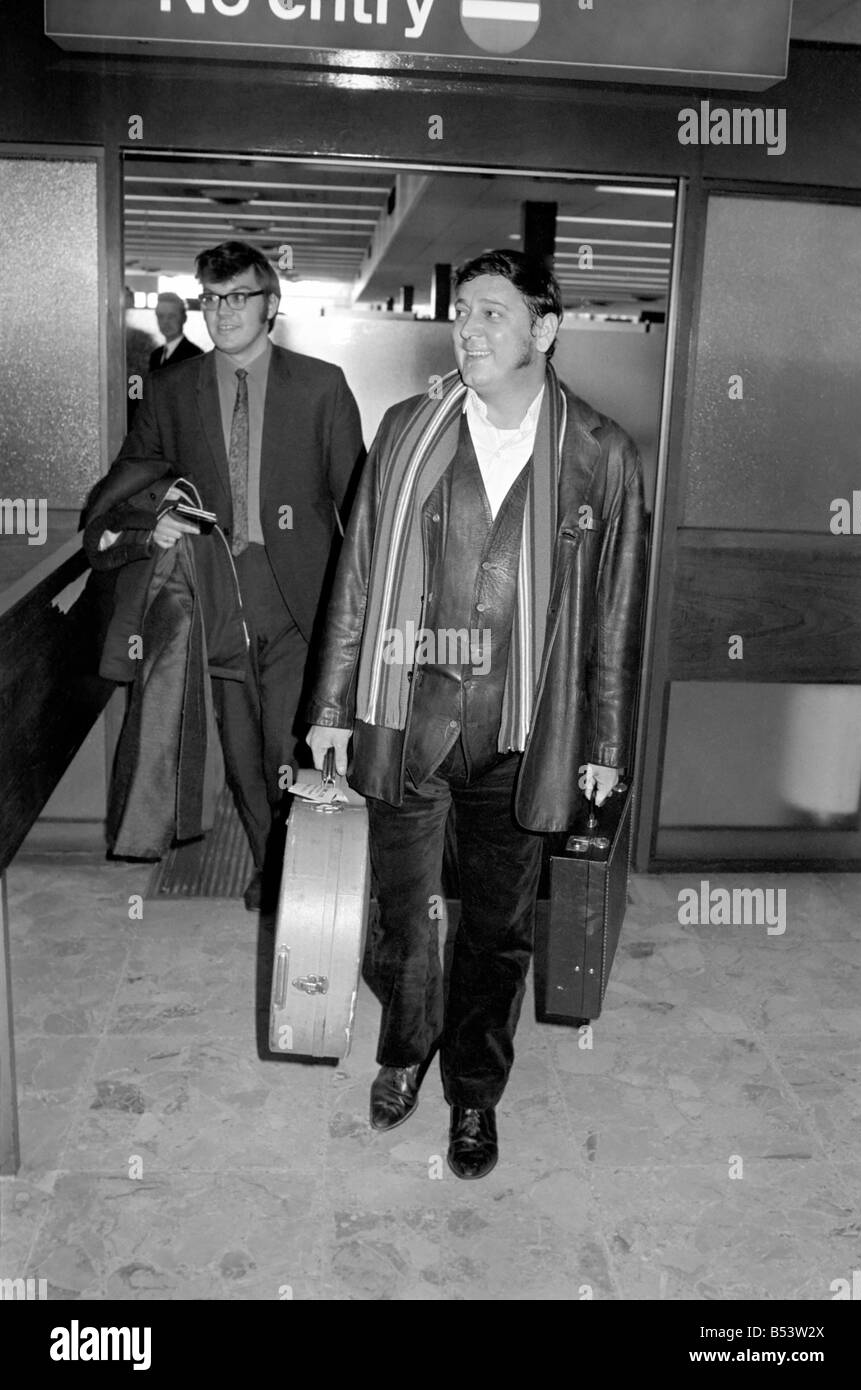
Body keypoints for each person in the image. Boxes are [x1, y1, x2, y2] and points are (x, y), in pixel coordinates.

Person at [307, 249, 646, 1179]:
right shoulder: (410, 427)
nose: (470, 329)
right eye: (462, 313)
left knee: (498, 928)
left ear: (546, 329)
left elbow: (614, 614)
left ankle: (473, 1092)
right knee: (405, 916)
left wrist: (606, 744)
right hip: (405, 716)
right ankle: (404, 1052)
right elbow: (360, 572)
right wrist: (334, 701)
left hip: (524, 732)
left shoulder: (600, 455)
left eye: (493, 313)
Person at [86, 241, 364, 911]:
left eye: (238, 296)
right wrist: (158, 517)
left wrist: (364, 612)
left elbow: (359, 506)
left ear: (271, 304)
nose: (223, 311)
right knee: (242, 755)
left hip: (302, 601)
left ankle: (303, 869)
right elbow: (135, 477)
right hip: (218, 597)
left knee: (288, 747)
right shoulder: (172, 388)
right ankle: (271, 860)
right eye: (212, 299)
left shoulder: (321, 385)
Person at [148, 291, 203, 371]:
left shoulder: (196, 356)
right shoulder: (155, 355)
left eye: (171, 316)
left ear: (184, 318)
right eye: (160, 316)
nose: (165, 322)